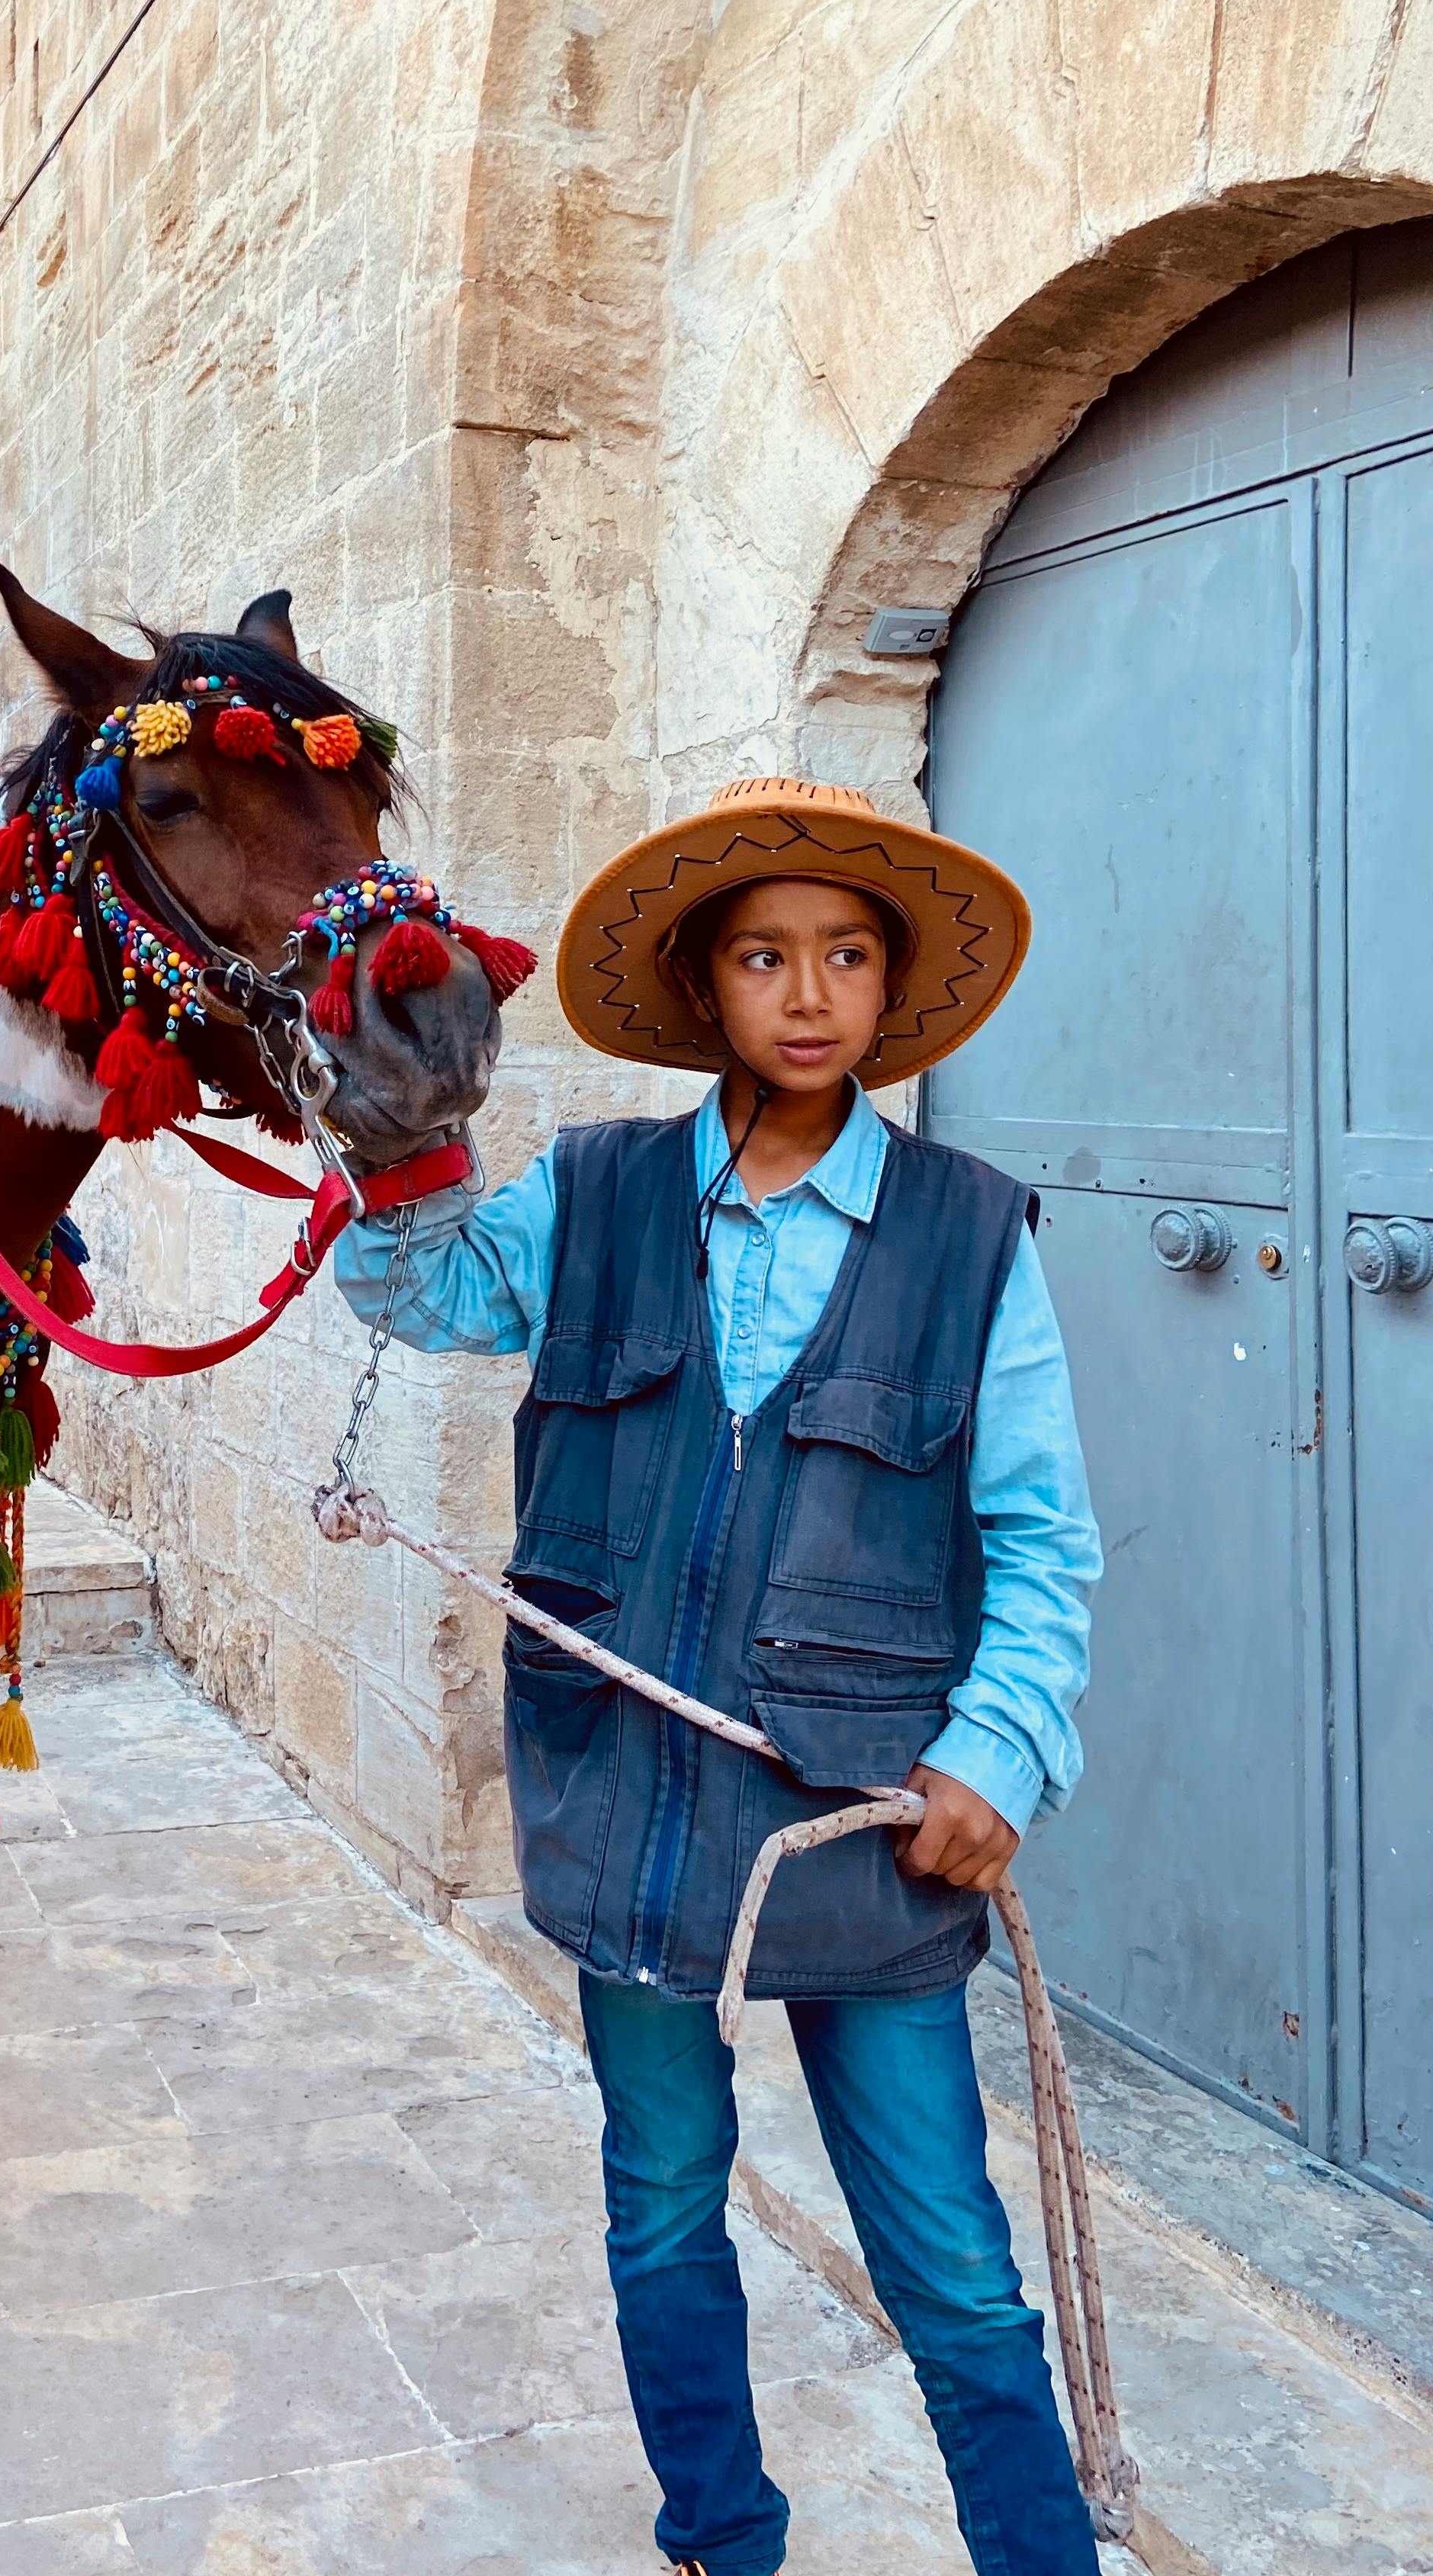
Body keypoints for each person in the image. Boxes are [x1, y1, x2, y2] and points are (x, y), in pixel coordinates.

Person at [336, 775, 1104, 2576]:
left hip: (865, 1826)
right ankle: (719, 2533)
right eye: (767, 956)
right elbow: (421, 1295)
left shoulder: (970, 1236)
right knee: (666, 2200)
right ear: (707, 989)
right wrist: (397, 1137)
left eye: (848, 955)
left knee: (952, 2261)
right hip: (631, 1811)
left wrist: (999, 1752)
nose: (811, 991)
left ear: (890, 988)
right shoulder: (595, 1196)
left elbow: (1047, 1535)